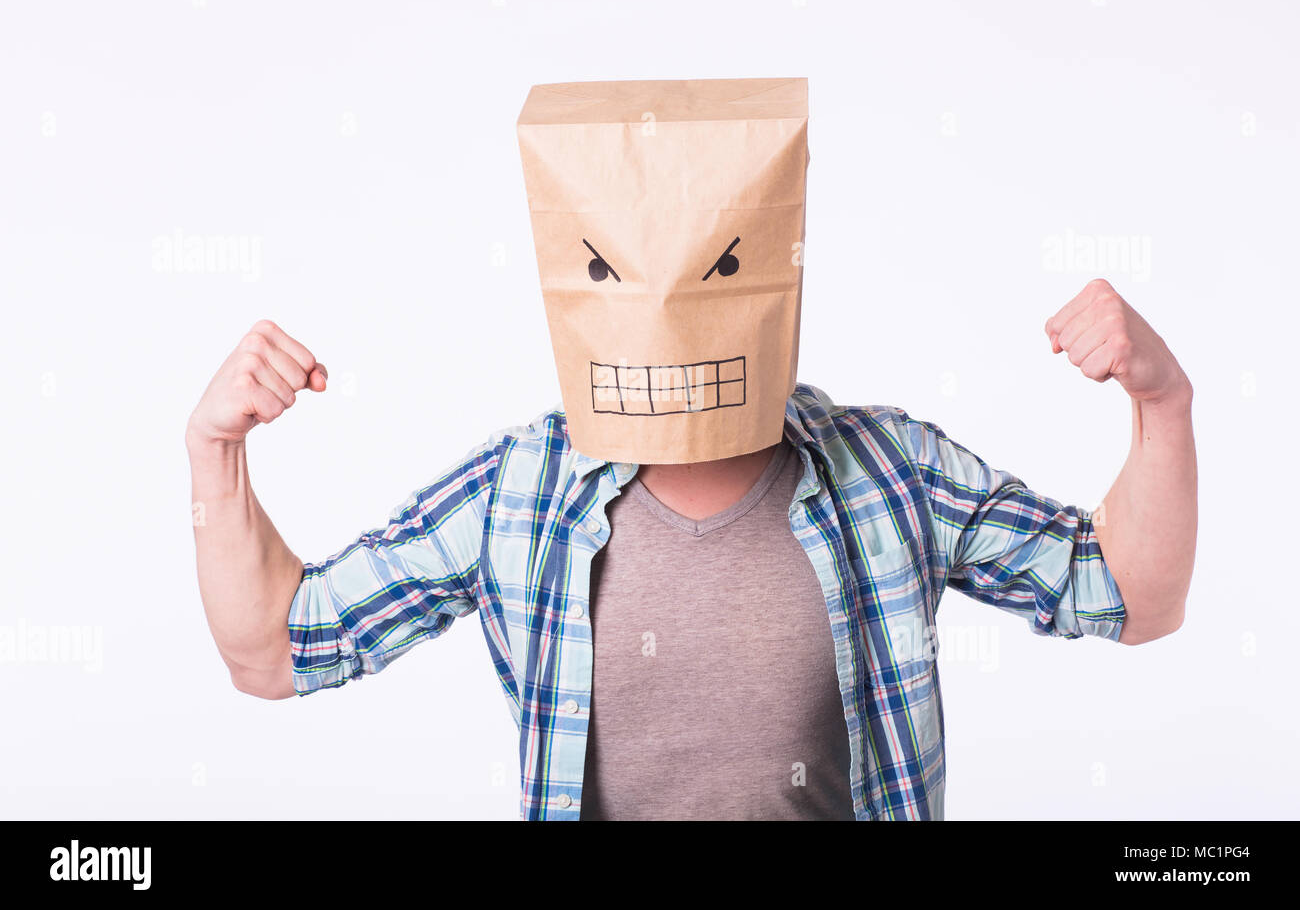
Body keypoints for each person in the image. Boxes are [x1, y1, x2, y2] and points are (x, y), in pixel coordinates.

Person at [186, 278, 1196, 820]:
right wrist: (215, 448)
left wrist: (1162, 401)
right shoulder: (520, 487)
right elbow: (277, 651)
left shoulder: (889, 468)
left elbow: (1129, 596)